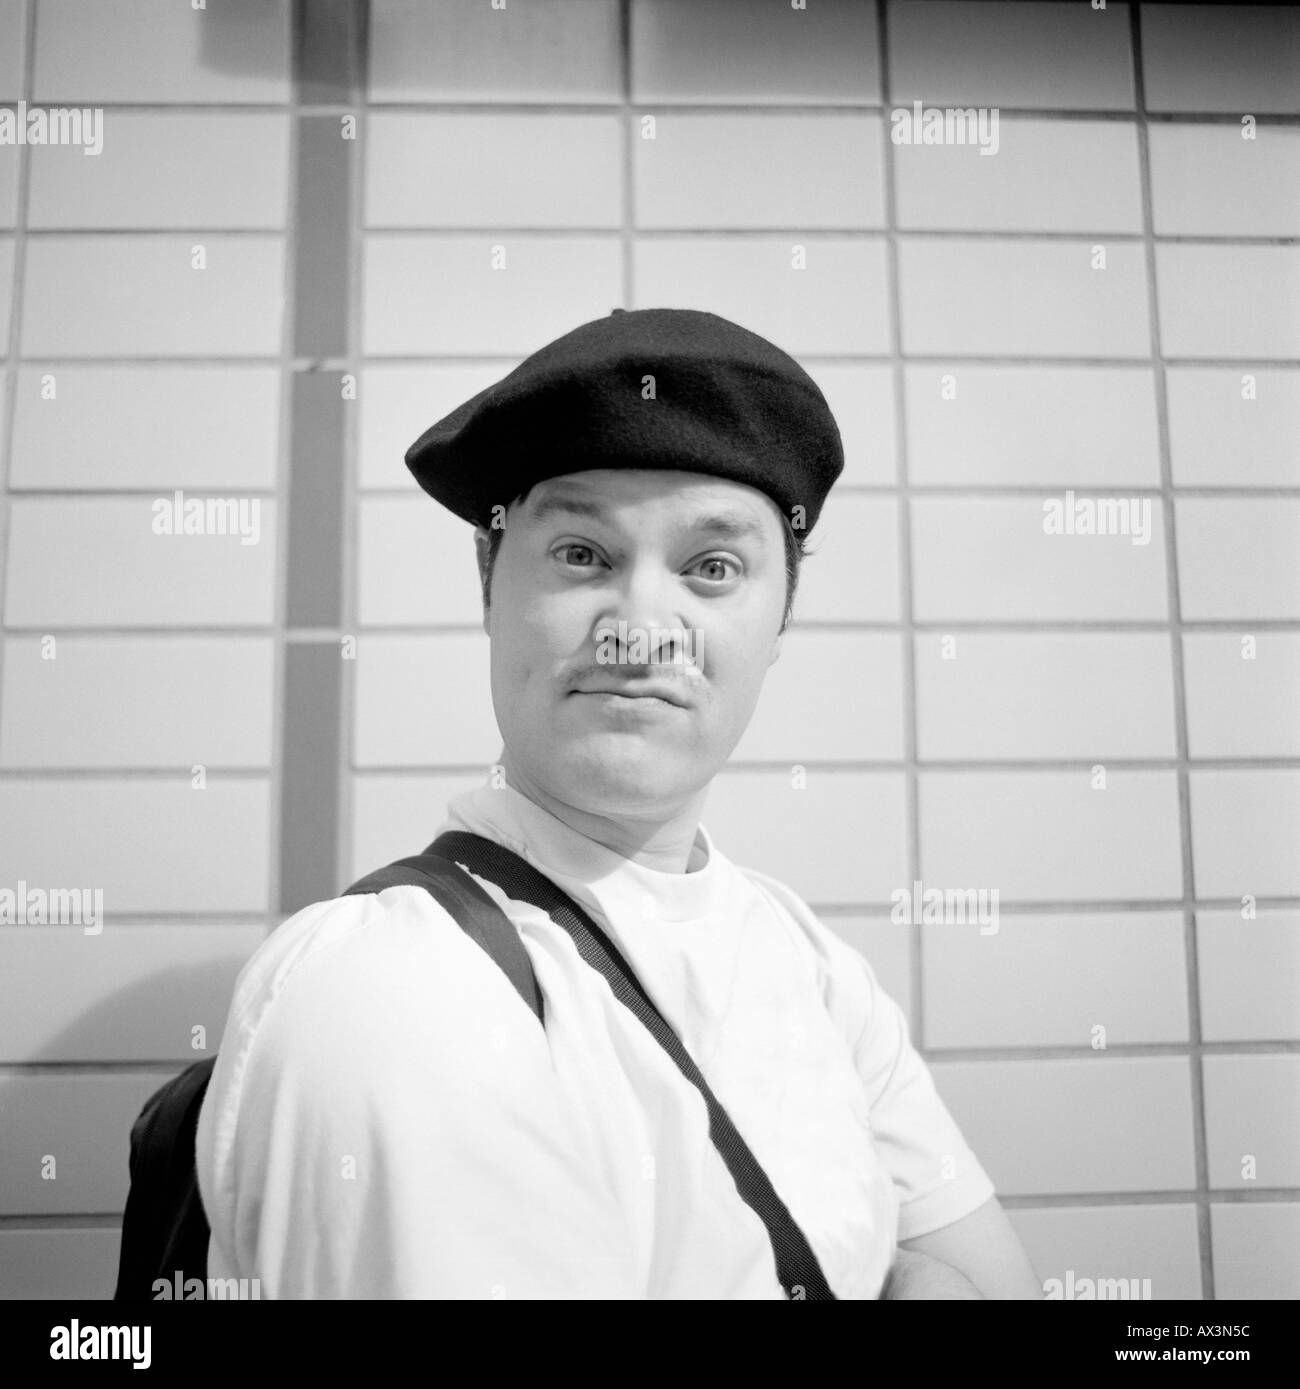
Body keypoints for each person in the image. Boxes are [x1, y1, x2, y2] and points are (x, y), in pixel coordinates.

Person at [195, 307, 1042, 1300]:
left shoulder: (809, 967)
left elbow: (995, 1284)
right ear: (489, 584)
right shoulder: (386, 989)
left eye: (712, 568)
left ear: (781, 619)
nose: (641, 629)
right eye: (583, 556)